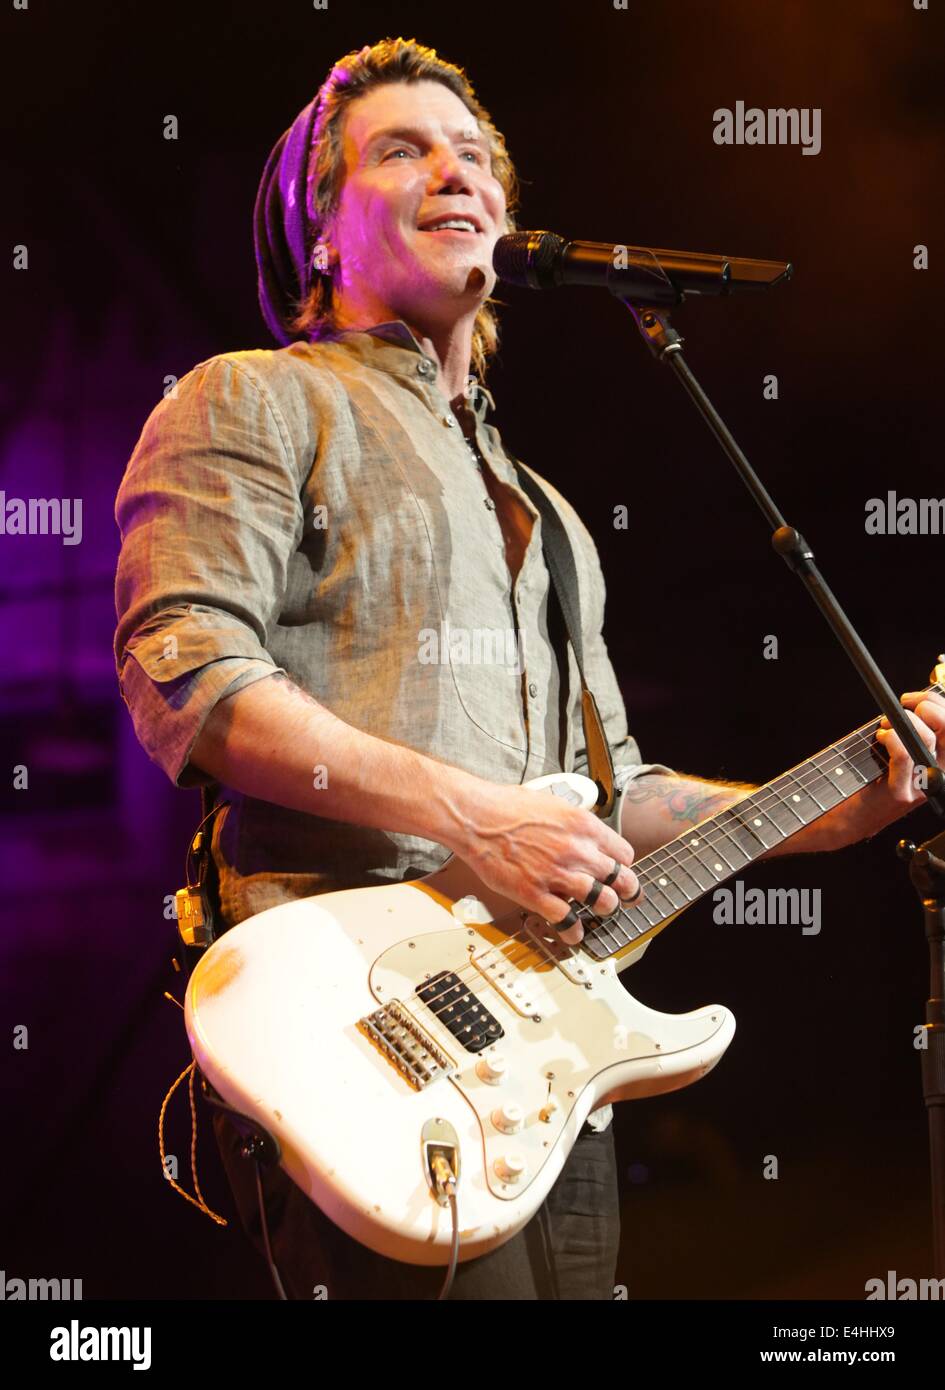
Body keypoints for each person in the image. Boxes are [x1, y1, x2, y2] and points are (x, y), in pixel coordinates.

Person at [113, 38, 944, 1300]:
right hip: (359, 1048)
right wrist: (474, 818)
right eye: (404, 148)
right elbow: (189, 678)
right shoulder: (253, 402)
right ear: (322, 230)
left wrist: (850, 801)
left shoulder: (547, 513)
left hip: (544, 1082)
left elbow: (612, 799)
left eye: (477, 154)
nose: (458, 169)